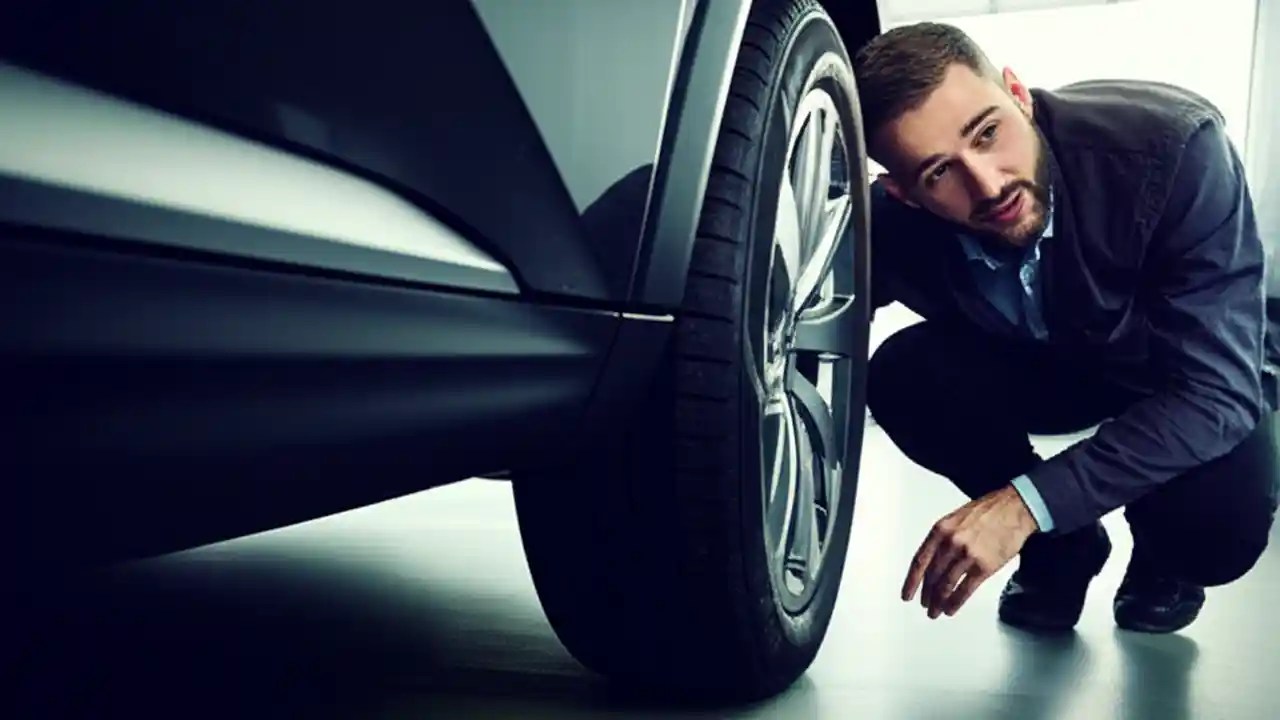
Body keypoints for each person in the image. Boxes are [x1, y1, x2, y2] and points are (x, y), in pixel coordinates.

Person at [851, 22, 1280, 634]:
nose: (989, 184)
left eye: (988, 133)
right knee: (902, 376)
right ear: (903, 193)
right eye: (939, 172)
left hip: (1178, 374)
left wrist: (1026, 503)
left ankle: (1158, 557)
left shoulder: (1174, 149)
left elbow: (1217, 393)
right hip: (1051, 368)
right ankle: (1063, 546)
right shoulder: (890, 223)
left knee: (1214, 531)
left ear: (1018, 94)